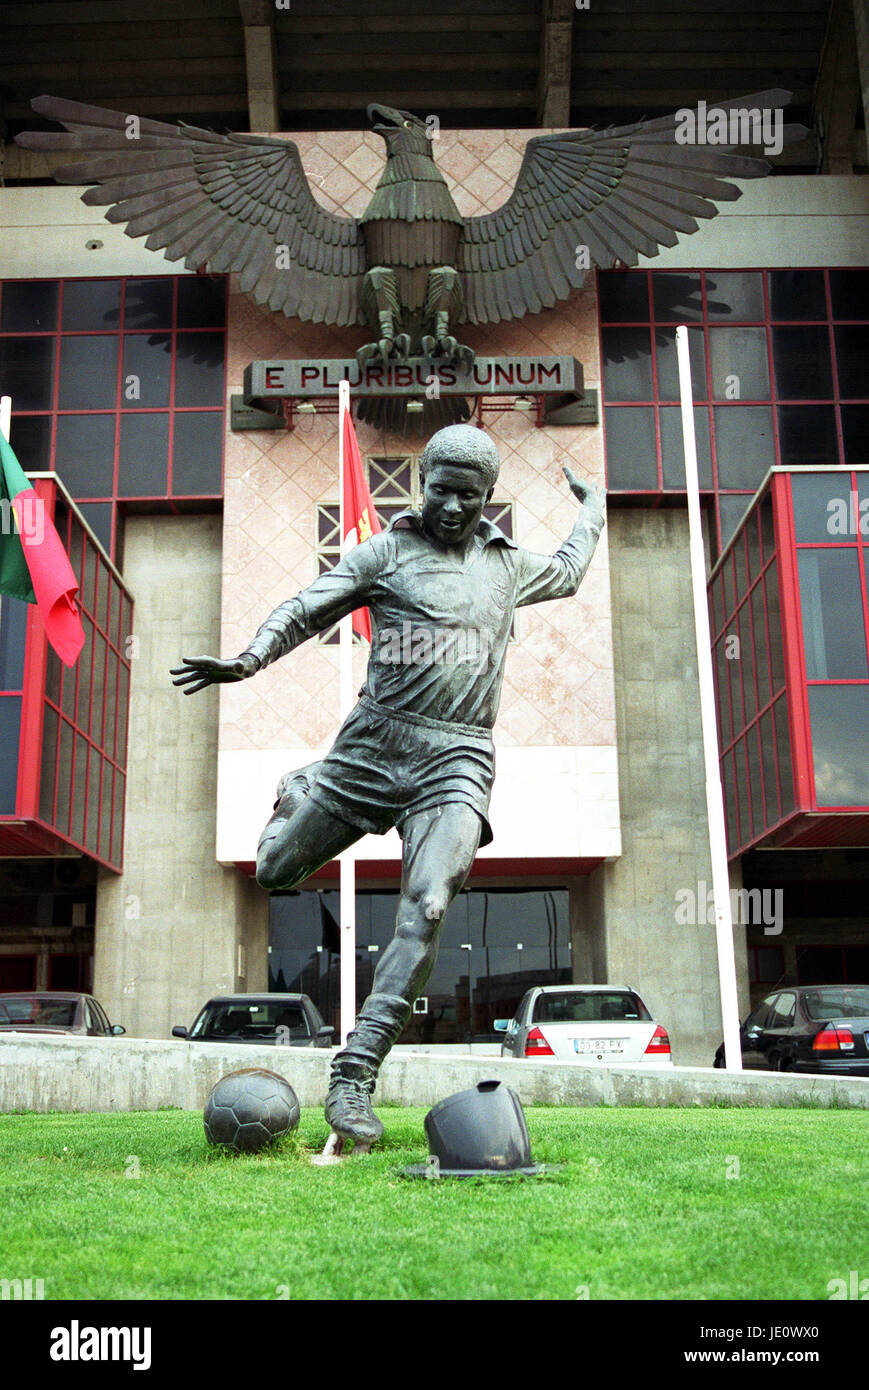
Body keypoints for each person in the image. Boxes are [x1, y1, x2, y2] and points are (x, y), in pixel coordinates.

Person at [171, 424, 605, 1147]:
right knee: (278, 871)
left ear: (486, 498)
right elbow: (308, 606)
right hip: (373, 746)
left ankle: (354, 1076)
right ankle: (301, 786)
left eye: (469, 496)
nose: (454, 507)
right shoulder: (386, 554)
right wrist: (248, 661)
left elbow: (566, 570)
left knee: (429, 905)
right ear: (420, 486)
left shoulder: (505, 568)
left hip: (456, 758)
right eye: (441, 491)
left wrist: (591, 509)